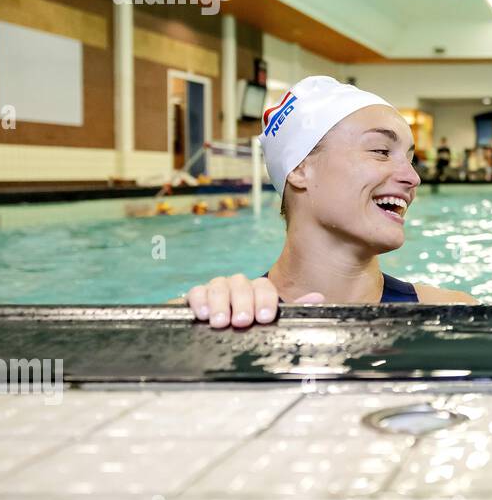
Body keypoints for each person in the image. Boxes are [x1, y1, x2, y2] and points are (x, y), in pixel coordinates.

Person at [181, 76, 475, 328]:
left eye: (410, 159)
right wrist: (205, 313)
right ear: (299, 169)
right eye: (381, 151)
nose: (413, 177)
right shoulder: (228, 313)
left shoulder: (452, 316)